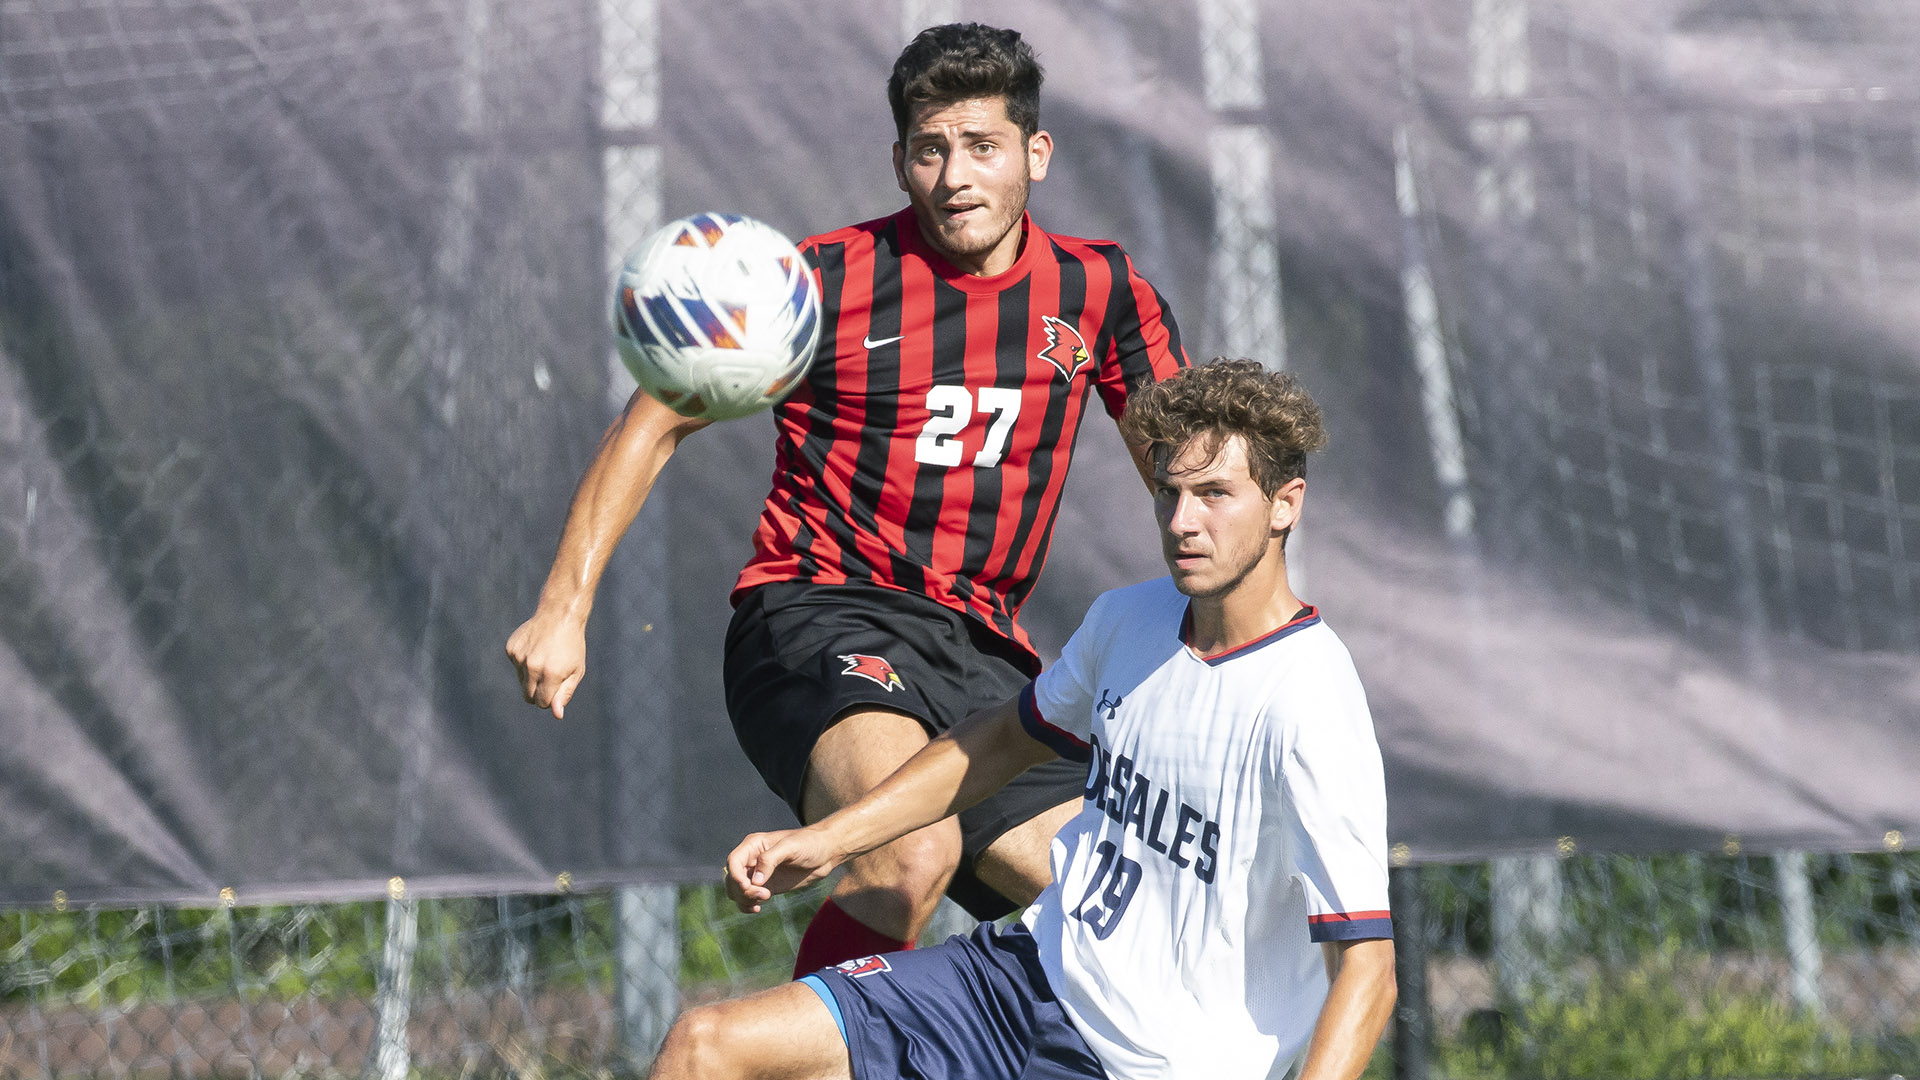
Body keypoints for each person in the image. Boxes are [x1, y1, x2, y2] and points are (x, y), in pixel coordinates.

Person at [506, 22, 1189, 974]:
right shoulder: (817, 282)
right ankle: (775, 1044)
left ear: (1036, 153)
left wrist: (1243, 638)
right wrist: (562, 606)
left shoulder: (1100, 289)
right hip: (820, 612)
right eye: (930, 149)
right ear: (900, 162)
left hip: (984, 654)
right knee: (908, 852)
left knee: (1134, 930)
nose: (955, 176)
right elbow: (653, 420)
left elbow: (1191, 472)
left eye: (982, 146)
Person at [655, 359, 1395, 1080]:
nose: (1182, 522)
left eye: (1214, 494)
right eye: (1169, 493)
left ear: (1285, 504)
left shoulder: (1310, 702)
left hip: (1147, 1064)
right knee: (706, 1047)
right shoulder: (1130, 619)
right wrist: (827, 840)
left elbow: (1368, 971)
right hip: (1017, 981)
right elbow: (1003, 741)